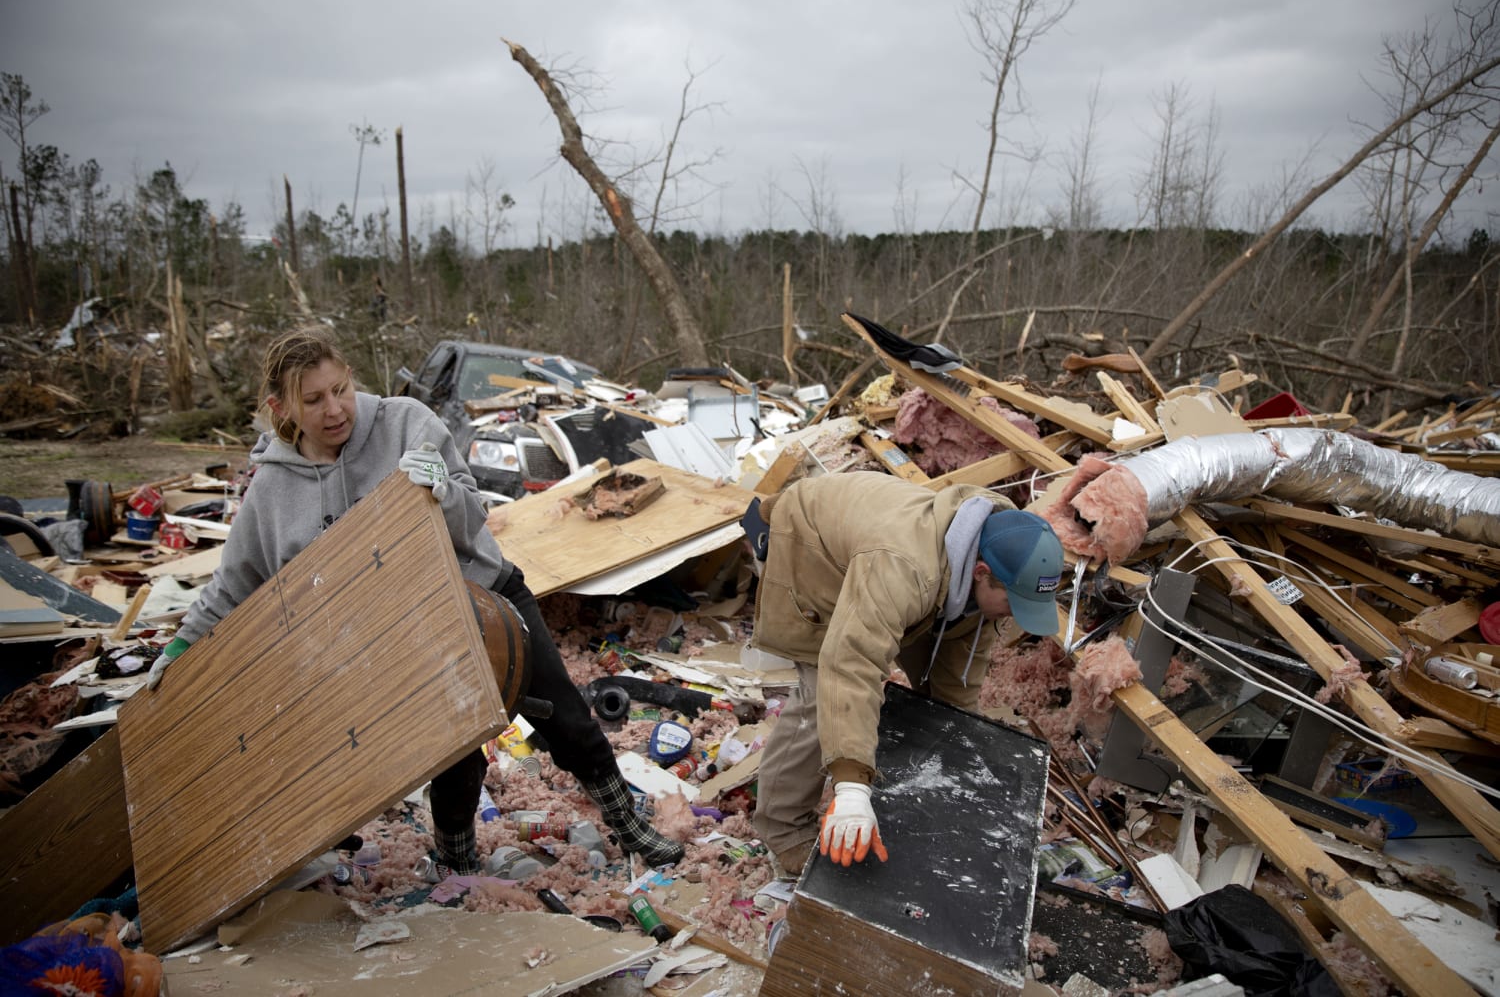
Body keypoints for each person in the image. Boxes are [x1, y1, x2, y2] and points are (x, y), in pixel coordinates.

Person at [146, 329, 683, 875]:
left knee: (565, 716)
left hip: (484, 593)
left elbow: (475, 514)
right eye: (314, 400)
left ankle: (630, 827)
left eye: (341, 389)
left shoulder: (405, 423)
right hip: (401, 629)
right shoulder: (272, 490)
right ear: (280, 407)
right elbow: (234, 583)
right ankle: (455, 859)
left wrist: (443, 492)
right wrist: (179, 650)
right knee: (451, 748)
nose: (335, 409)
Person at [746, 471, 1063, 876]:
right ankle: (783, 829)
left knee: (925, 668)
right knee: (818, 695)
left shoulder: (1000, 547)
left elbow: (959, 663)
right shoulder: (906, 567)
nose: (1014, 617)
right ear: (981, 572)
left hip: (883, 560)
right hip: (810, 549)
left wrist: (958, 738)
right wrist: (852, 787)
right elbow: (851, 665)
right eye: (1013, 604)